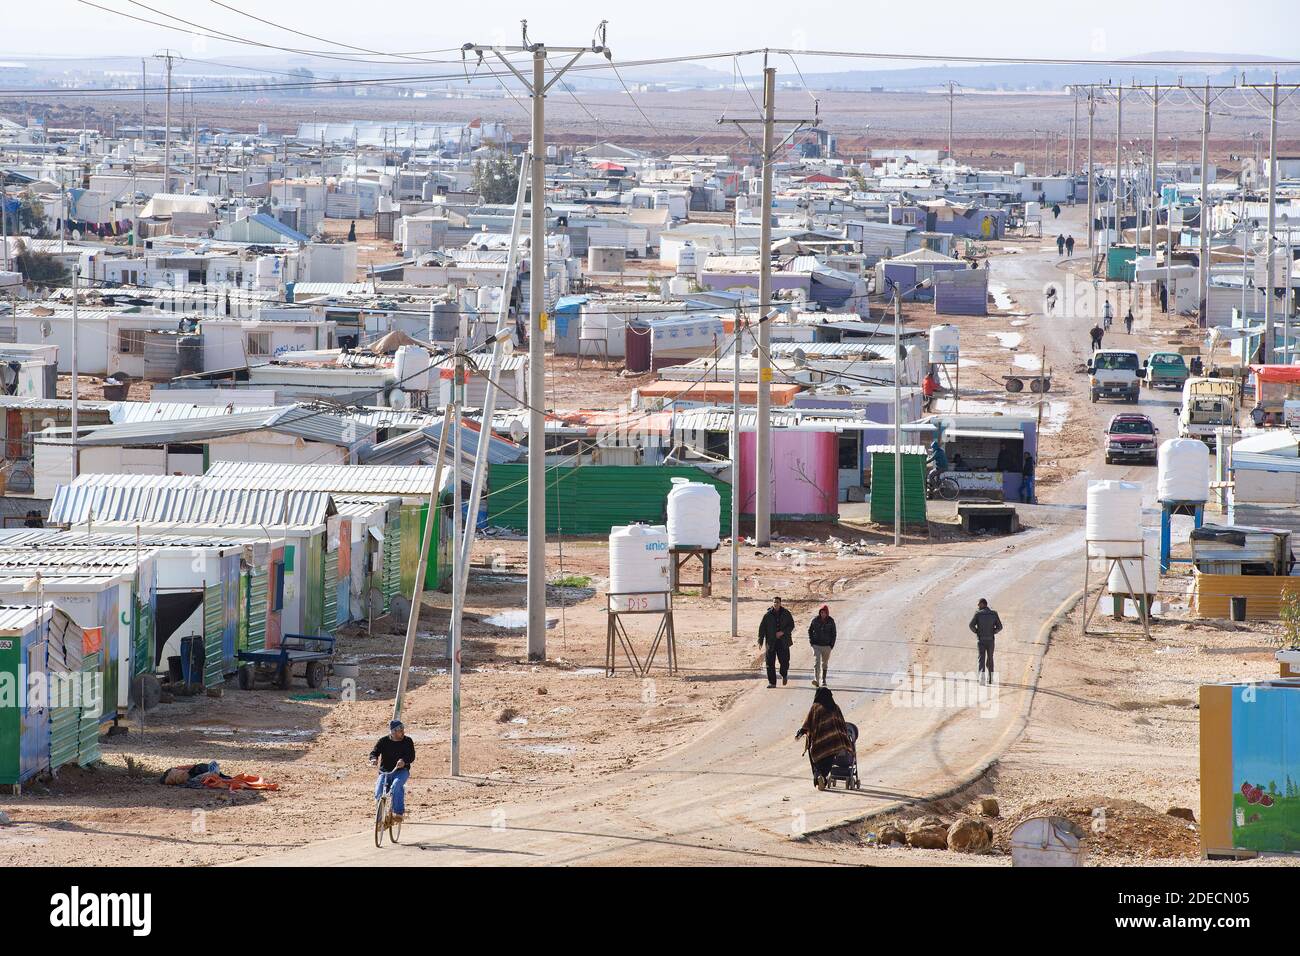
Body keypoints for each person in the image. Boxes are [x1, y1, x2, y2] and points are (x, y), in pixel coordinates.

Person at [795, 687, 855, 786]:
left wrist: (802, 731)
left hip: (818, 742)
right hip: (834, 742)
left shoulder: (815, 707)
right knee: (828, 759)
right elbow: (842, 724)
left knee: (815, 756)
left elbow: (808, 723)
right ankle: (822, 776)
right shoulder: (835, 707)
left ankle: (818, 775)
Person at [369, 719, 415, 824]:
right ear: (393, 732)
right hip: (385, 772)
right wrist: (373, 759)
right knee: (379, 791)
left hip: (401, 771)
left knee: (396, 785)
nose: (403, 732)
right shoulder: (383, 741)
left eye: (403, 729)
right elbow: (374, 752)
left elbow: (411, 756)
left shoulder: (408, 741)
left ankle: (398, 813)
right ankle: (380, 820)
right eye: (400, 730)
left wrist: (404, 761)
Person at [757, 596, 795, 688]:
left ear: (780, 603)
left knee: (785, 661)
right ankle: (772, 682)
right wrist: (760, 640)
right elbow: (762, 628)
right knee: (770, 663)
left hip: (783, 642)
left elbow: (791, 625)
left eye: (777, 602)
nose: (775, 604)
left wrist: (783, 632)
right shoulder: (767, 615)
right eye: (774, 602)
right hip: (771, 642)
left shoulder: (786, 613)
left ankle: (784, 674)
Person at [969, 598, 1003, 685]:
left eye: (979, 604)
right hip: (991, 640)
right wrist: (993, 632)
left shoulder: (978, 614)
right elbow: (1000, 627)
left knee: (981, 659)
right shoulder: (994, 614)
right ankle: (991, 678)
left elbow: (971, 625)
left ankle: (982, 679)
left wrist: (977, 631)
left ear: (983, 604)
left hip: (981, 640)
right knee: (990, 658)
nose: (978, 606)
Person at [808, 605, 837, 688]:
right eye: (821, 612)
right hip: (816, 645)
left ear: (827, 613)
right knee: (817, 662)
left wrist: (831, 645)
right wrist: (811, 642)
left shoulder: (831, 621)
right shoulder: (815, 620)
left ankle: (823, 679)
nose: (822, 614)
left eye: (824, 612)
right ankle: (816, 680)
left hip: (827, 646)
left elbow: (834, 634)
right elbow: (810, 630)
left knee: (824, 663)